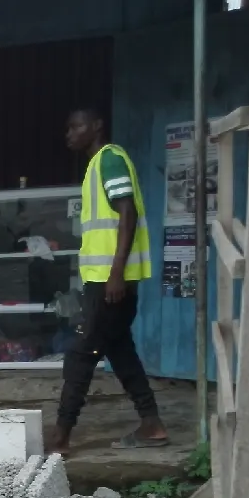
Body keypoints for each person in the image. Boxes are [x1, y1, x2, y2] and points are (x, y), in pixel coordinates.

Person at [52, 108, 168, 453]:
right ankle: (152, 424)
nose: (70, 133)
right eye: (68, 128)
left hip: (110, 282)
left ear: (97, 126)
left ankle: (60, 436)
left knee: (80, 354)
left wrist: (116, 273)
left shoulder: (109, 159)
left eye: (76, 126)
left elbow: (127, 212)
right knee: (120, 350)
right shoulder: (97, 165)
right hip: (106, 281)